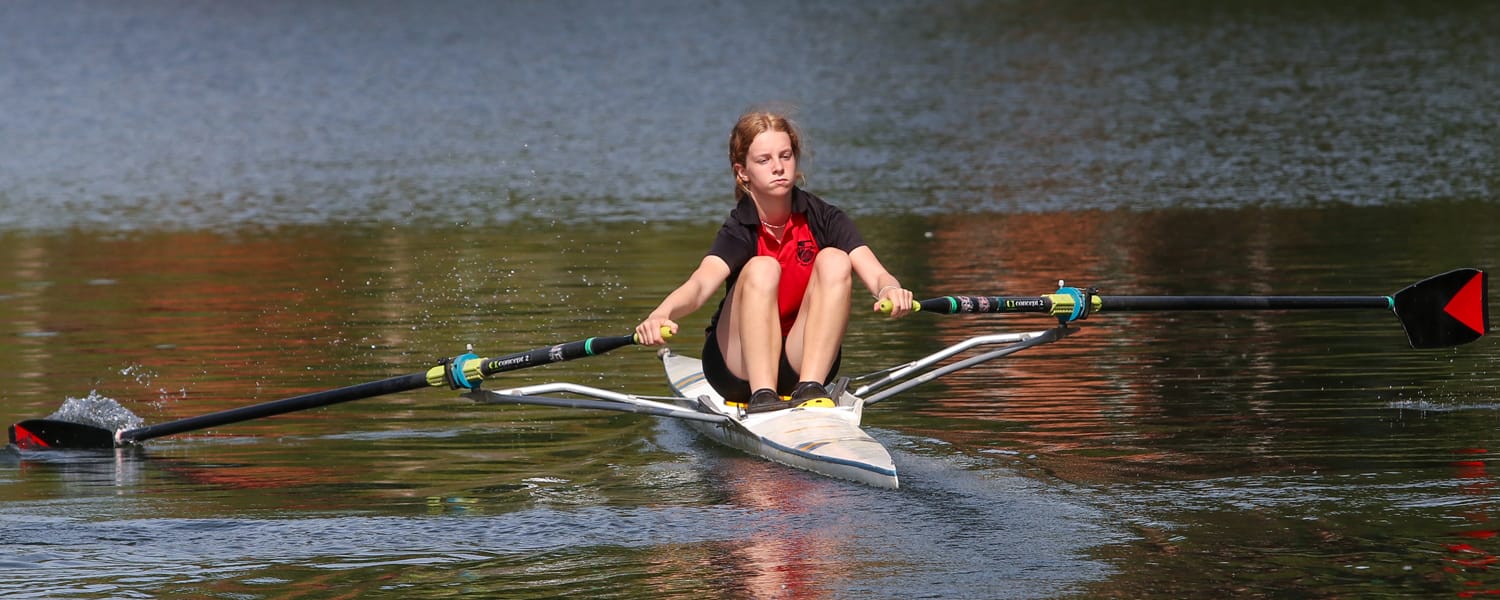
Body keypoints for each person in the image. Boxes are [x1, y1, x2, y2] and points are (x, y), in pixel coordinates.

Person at [634, 110, 914, 414]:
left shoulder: (825, 218)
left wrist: (890, 290)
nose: (779, 167)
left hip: (801, 361)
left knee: (835, 259)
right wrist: (661, 313)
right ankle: (762, 395)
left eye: (785, 156)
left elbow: (876, 274)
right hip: (737, 369)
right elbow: (700, 285)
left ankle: (810, 389)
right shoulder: (740, 228)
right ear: (743, 172)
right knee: (763, 266)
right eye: (764, 160)